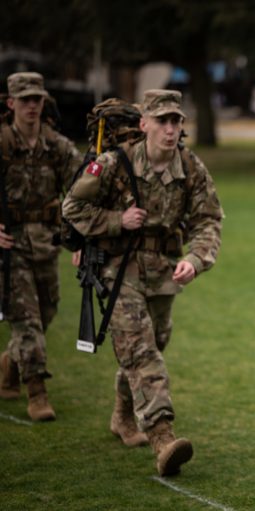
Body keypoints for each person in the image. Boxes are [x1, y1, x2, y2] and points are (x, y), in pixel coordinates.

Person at [62, 89, 223, 476]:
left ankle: (122, 415)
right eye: (162, 120)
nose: (170, 129)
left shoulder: (190, 166)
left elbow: (208, 219)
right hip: (120, 270)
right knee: (140, 350)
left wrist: (195, 259)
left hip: (165, 269)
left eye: (176, 121)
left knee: (152, 344)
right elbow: (73, 207)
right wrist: (117, 222)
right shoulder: (115, 163)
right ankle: (163, 437)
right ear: (144, 124)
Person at [0, 72, 82, 421]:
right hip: (11, 245)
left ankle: (9, 363)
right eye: (25, 100)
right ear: (11, 103)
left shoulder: (57, 146)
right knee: (27, 320)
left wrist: (81, 239)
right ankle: (37, 392)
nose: (32, 106)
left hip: (48, 243)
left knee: (46, 312)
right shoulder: (2, 143)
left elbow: (82, 190)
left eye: (38, 100)